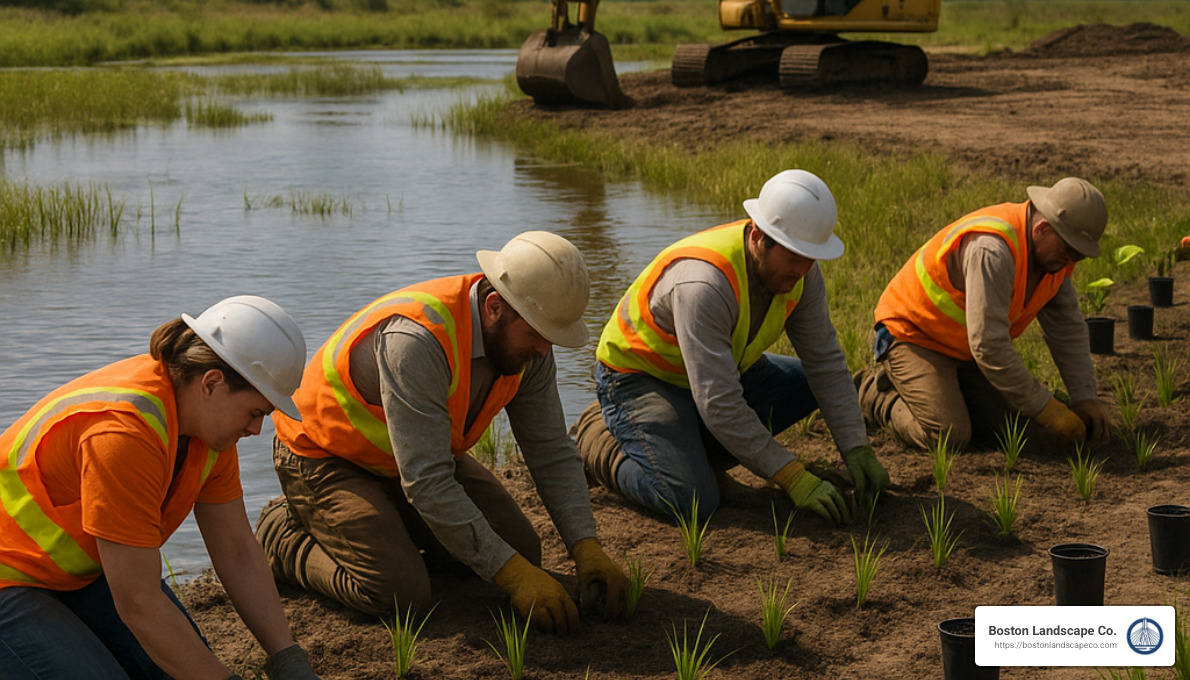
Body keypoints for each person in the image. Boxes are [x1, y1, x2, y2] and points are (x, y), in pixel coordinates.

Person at [256, 231, 629, 635]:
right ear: (494, 307)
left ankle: (385, 525)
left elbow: (550, 450)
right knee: (399, 592)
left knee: (522, 550)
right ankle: (282, 534)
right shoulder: (417, 340)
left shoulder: (528, 347)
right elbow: (429, 481)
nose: (543, 350)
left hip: (406, 462)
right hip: (322, 455)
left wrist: (585, 546)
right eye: (538, 334)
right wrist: (515, 578)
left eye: (551, 338)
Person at [0, 296, 320, 680]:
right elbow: (138, 602)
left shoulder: (210, 432)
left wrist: (287, 659)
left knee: (176, 666)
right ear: (212, 382)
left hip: (79, 576)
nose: (256, 430)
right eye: (255, 413)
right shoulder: (123, 433)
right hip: (9, 581)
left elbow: (235, 549)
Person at [574, 169, 887, 526]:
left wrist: (856, 447)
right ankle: (598, 438)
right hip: (641, 380)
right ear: (758, 236)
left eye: (810, 257)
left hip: (713, 377)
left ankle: (683, 446)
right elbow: (720, 403)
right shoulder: (703, 284)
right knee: (693, 500)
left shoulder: (802, 274)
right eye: (794, 256)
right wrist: (791, 476)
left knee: (807, 384)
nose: (803, 269)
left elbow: (825, 363)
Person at [855, 177, 1112, 452]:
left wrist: (1085, 397)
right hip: (913, 336)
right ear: (1043, 228)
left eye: (1080, 256)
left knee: (1013, 427)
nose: (1071, 261)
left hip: (963, 348)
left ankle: (946, 391)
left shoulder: (1054, 260)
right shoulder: (992, 251)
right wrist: (1049, 410)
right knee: (947, 435)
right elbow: (989, 347)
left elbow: (1067, 330)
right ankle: (871, 391)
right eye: (1069, 250)